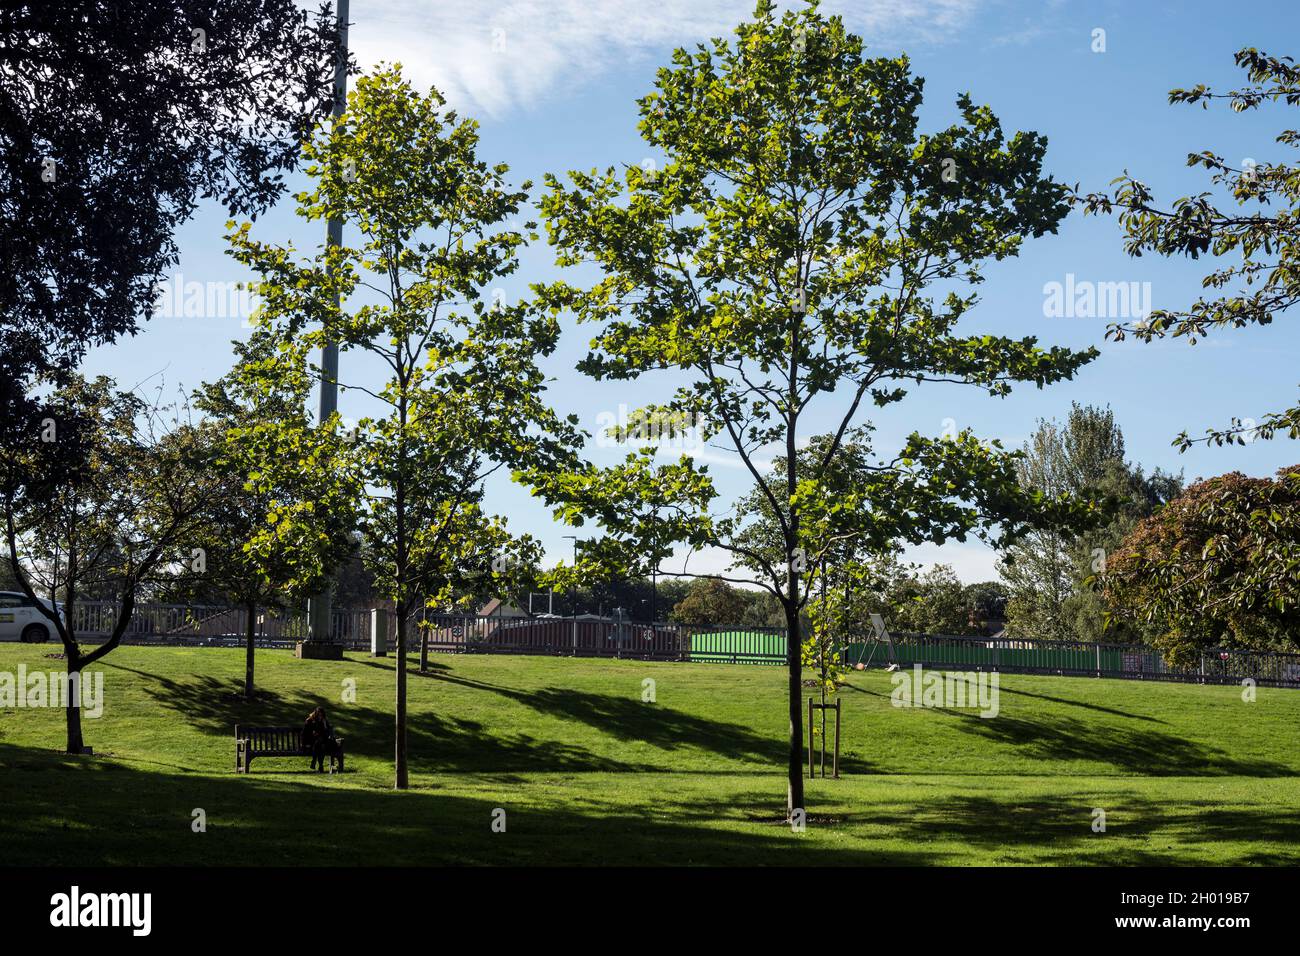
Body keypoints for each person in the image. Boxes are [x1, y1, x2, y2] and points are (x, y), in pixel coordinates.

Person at [302, 706, 332, 772]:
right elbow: (304, 733)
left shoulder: (324, 721)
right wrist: (312, 734)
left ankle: (314, 761)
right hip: (311, 742)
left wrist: (325, 726)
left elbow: (327, 733)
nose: (320, 717)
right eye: (318, 715)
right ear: (315, 714)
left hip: (322, 742)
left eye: (321, 715)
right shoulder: (309, 720)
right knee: (320, 746)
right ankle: (320, 766)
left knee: (320, 745)